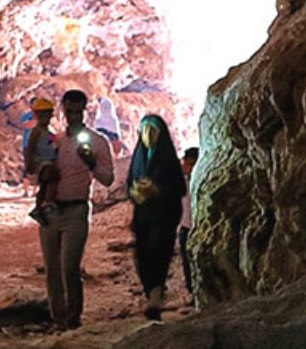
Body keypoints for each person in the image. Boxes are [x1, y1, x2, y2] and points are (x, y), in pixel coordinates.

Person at [39, 90, 114, 329]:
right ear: (63, 111)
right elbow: (36, 169)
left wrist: (91, 162)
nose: (73, 116)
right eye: (69, 111)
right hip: (52, 210)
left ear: (86, 111)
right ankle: (57, 318)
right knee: (52, 269)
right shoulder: (55, 141)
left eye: (77, 112)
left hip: (76, 210)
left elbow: (108, 179)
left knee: (69, 267)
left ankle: (73, 318)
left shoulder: (98, 141)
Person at [125, 115, 188, 320]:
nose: (148, 135)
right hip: (143, 215)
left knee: (158, 250)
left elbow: (178, 188)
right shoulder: (138, 157)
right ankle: (152, 293)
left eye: (152, 130)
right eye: (144, 130)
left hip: (164, 215)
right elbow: (130, 183)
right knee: (143, 254)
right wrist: (136, 192)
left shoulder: (168, 160)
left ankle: (156, 295)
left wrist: (158, 191)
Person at [21, 97, 59, 223]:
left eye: (48, 115)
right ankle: (47, 202)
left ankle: (40, 208)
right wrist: (30, 163)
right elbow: (31, 146)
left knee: (44, 185)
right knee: (52, 175)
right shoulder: (36, 131)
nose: (46, 118)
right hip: (41, 162)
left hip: (48, 160)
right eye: (44, 115)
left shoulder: (47, 130)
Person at [178, 146, 199, 303]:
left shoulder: (201, 181)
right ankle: (192, 292)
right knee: (187, 262)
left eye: (192, 164)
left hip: (198, 227)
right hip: (186, 227)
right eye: (187, 163)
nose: (187, 167)